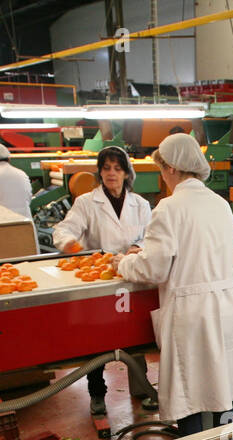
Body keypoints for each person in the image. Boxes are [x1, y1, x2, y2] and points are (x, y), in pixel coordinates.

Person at [112, 133, 233, 435]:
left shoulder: (169, 207)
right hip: (226, 310)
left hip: (192, 316)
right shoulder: (219, 204)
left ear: (171, 168)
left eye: (161, 169)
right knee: (224, 389)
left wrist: (123, 263)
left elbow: (154, 269)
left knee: (191, 398)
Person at [52, 145, 154, 415]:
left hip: (130, 278)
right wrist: (70, 243)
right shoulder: (86, 202)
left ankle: (142, 387)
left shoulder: (141, 205)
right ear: (99, 172)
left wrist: (138, 247)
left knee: (134, 335)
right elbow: (64, 229)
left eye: (117, 168)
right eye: (106, 168)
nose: (112, 173)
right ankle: (97, 394)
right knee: (95, 340)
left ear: (126, 174)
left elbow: (152, 236)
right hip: (98, 281)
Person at [0, 142, 38, 255]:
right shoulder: (21, 174)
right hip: (25, 224)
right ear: (9, 158)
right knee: (27, 260)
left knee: (4, 264)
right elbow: (28, 197)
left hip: (1, 226)